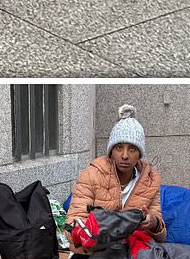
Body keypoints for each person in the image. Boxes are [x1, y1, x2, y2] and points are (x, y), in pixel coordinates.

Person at [68, 105, 163, 248]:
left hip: (133, 251)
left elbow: (161, 234)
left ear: (139, 154)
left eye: (132, 149)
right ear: (111, 151)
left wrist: (153, 223)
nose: (125, 156)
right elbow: (72, 228)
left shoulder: (149, 181)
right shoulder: (91, 175)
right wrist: (108, 223)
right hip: (95, 252)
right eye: (119, 148)